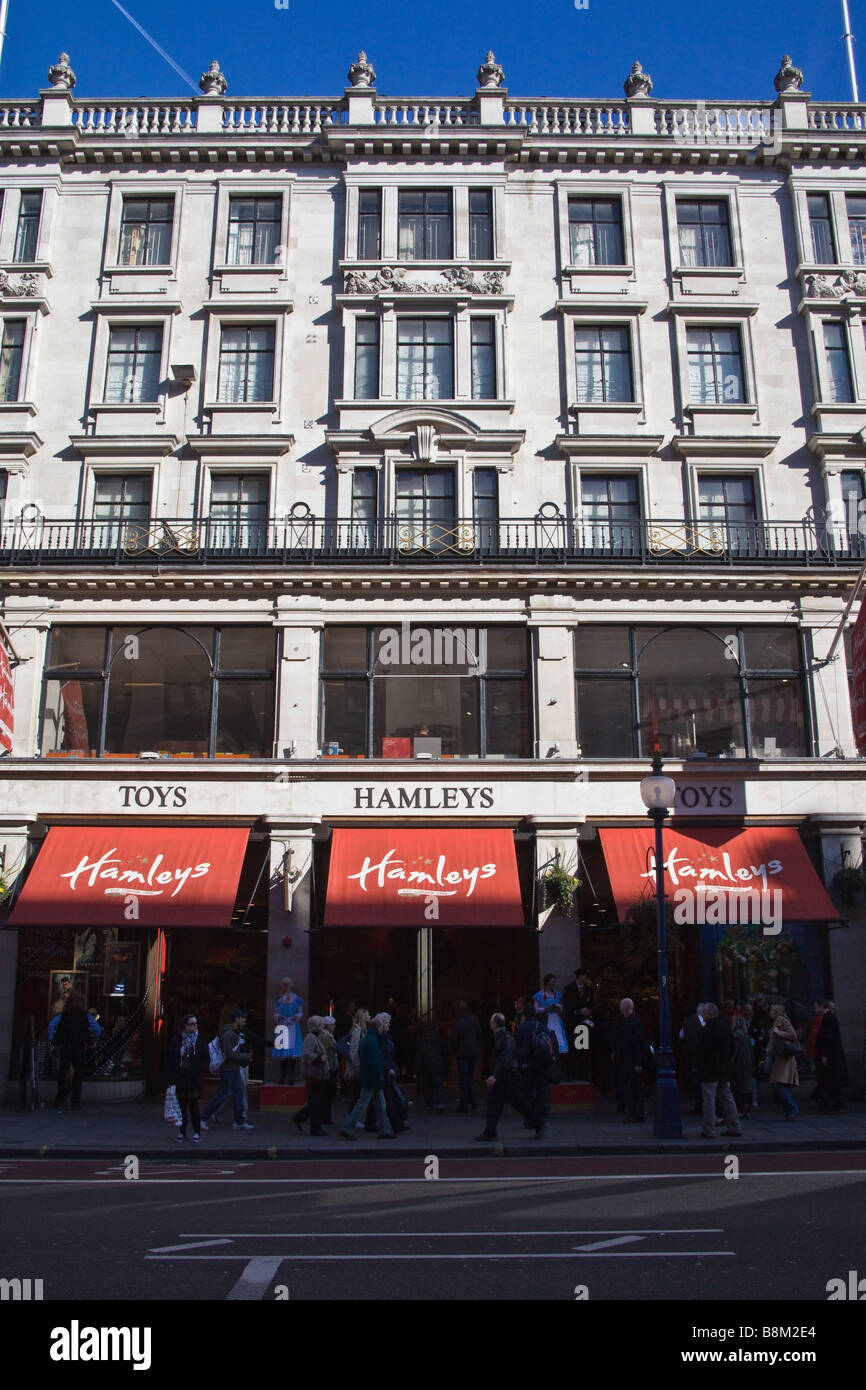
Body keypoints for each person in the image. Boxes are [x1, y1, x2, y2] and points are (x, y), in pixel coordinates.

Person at [475, 1013, 534, 1141]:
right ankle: (490, 1131)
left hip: (508, 1078)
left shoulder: (505, 1039)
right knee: (494, 1104)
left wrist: (495, 1075)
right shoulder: (500, 1037)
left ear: (495, 1024)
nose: (490, 1024)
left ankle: (539, 1123)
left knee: (518, 1103)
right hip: (503, 1077)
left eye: (491, 1022)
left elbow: (505, 1060)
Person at [338, 1015, 396, 1139]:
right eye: (382, 1026)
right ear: (378, 1027)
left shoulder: (368, 1039)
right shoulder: (373, 1041)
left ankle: (385, 1129)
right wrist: (379, 1075)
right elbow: (374, 1062)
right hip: (372, 1079)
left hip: (369, 1078)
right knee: (363, 1104)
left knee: (380, 1105)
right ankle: (348, 1128)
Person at [200, 1010, 253, 1132]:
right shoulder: (229, 1034)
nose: (244, 1021)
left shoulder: (233, 1032)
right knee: (223, 1094)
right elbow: (228, 1053)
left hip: (233, 1068)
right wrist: (244, 1057)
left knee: (238, 1094)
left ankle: (239, 1121)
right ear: (237, 1019)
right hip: (227, 1069)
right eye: (243, 1018)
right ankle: (203, 1117)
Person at [696, 1003, 743, 1138]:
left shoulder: (707, 1030)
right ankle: (735, 1127)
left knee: (709, 1099)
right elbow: (733, 1047)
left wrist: (698, 1065)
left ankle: (709, 1129)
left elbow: (702, 1052)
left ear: (709, 1014)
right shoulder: (726, 1027)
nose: (703, 1015)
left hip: (710, 1070)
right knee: (728, 1097)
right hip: (725, 1069)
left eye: (704, 1013)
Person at [166, 1014, 209, 1142]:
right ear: (184, 1026)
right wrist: (171, 1079)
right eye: (191, 1024)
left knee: (194, 1106)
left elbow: (206, 1059)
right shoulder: (177, 1040)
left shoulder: (201, 1040)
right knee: (181, 1107)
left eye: (195, 1024)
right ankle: (182, 1132)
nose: (194, 1027)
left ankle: (197, 1132)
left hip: (193, 1078)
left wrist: (199, 1069)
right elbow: (171, 1060)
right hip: (180, 1078)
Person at [52, 994, 97, 1112]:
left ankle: (60, 1100)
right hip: (79, 1048)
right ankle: (75, 1101)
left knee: (62, 1074)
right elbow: (87, 1032)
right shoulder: (84, 1015)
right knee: (78, 1075)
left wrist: (55, 1043)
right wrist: (90, 1043)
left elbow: (60, 1030)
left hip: (67, 1047)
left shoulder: (66, 1014)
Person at [515, 1005, 554, 1138]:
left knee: (528, 1092)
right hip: (541, 1064)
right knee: (541, 1090)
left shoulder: (521, 1028)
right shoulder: (541, 1026)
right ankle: (543, 1115)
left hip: (526, 1064)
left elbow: (517, 1046)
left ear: (524, 1016)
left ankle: (530, 1119)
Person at [292, 1017, 329, 1136]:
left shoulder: (313, 1037)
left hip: (316, 1074)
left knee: (316, 1100)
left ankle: (301, 1118)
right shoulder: (311, 1037)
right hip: (314, 1074)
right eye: (321, 1025)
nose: (323, 1027)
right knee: (316, 1100)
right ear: (316, 1026)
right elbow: (307, 1053)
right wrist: (319, 1058)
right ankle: (314, 1126)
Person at [811, 998, 849, 1111]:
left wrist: (824, 1055)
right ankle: (836, 1103)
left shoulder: (828, 1018)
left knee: (832, 1080)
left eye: (816, 1006)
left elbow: (827, 1038)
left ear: (821, 1006)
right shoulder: (828, 1018)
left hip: (830, 1056)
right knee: (831, 1080)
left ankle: (838, 1104)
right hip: (831, 1055)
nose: (815, 1009)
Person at [614, 997, 647, 1123]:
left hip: (630, 1059)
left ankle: (633, 1112)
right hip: (631, 1058)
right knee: (635, 1087)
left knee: (629, 1086)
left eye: (621, 1006)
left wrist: (638, 1063)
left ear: (625, 1008)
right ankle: (638, 1112)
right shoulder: (633, 1021)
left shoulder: (631, 1022)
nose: (620, 1008)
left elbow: (635, 1043)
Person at [767, 1003, 801, 1120]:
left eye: (772, 1011)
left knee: (777, 1082)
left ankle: (792, 1108)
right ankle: (788, 1110)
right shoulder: (777, 1021)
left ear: (776, 1012)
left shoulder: (782, 1020)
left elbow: (793, 1035)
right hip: (780, 1057)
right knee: (778, 1083)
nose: (770, 1013)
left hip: (784, 1058)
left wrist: (779, 1033)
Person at [450, 999, 482, 1113]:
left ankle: (464, 1104)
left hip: (462, 1051)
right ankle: (473, 1101)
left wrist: (454, 1050)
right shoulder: (474, 1019)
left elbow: (454, 1038)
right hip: (473, 1051)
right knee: (470, 1076)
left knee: (463, 1077)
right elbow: (479, 1034)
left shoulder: (456, 1021)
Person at [563, 968, 594, 1081]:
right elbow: (567, 1006)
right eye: (584, 976)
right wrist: (578, 1011)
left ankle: (583, 1076)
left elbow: (592, 1004)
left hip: (584, 1025)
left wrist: (588, 1011)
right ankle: (570, 1075)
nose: (586, 979)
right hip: (573, 1024)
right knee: (572, 1049)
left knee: (583, 1050)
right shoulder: (569, 989)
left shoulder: (588, 990)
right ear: (579, 976)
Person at [273, 977, 304, 1085]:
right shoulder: (278, 999)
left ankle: (291, 1078)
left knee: (292, 1053)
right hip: (282, 1026)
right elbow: (275, 1013)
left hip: (292, 1027)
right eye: (283, 984)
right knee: (283, 1053)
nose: (284, 987)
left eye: (285, 985)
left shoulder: (296, 999)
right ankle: (282, 1077)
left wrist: (297, 1016)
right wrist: (278, 1017)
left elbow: (300, 1013)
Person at [678, 1003, 706, 1116]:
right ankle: (700, 1105)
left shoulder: (688, 1021)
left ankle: (699, 1105)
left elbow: (681, 1035)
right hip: (699, 1056)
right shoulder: (700, 1023)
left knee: (698, 1082)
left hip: (694, 1057)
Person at [532, 975, 568, 1063]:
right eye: (552, 981)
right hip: (546, 1020)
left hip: (556, 1020)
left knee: (559, 1041)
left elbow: (562, 1008)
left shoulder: (556, 995)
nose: (554, 983)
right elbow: (535, 1010)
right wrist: (545, 1009)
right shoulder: (539, 995)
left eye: (555, 981)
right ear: (547, 982)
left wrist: (559, 1008)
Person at [416, 1020, 449, 1113]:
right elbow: (444, 1053)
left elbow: (420, 1055)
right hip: (438, 1065)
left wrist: (417, 1068)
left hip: (426, 1065)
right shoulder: (440, 1039)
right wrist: (446, 1066)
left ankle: (430, 1101)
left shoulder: (423, 1040)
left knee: (428, 1084)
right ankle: (439, 1103)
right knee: (438, 1085)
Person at [730, 1013, 753, 1117]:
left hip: (739, 1064)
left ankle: (740, 1109)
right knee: (746, 1087)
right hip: (747, 1063)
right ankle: (746, 1109)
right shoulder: (746, 1036)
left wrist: (732, 1060)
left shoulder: (736, 1035)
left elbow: (735, 1050)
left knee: (738, 1087)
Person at [320, 1015, 339, 1123]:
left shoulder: (330, 1036)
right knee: (327, 1093)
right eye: (333, 1025)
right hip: (328, 1068)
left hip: (332, 1067)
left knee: (329, 1093)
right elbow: (325, 1052)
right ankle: (324, 1117)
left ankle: (326, 1117)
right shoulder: (325, 1037)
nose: (334, 1027)